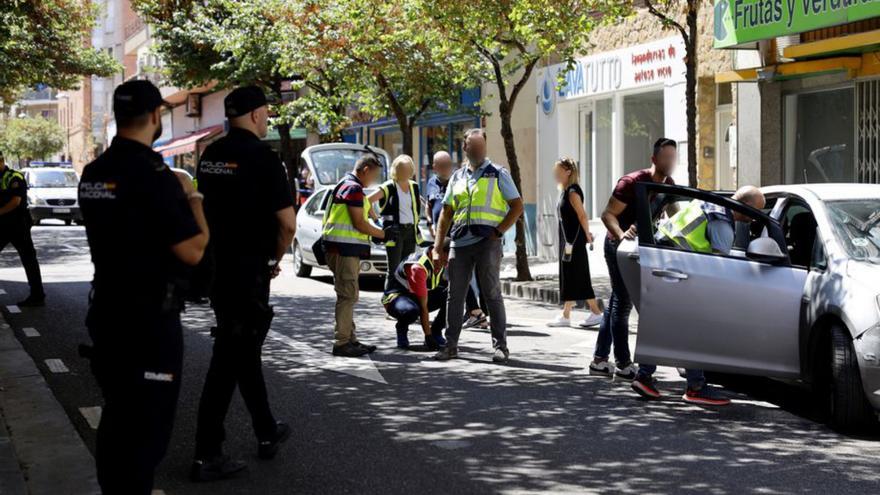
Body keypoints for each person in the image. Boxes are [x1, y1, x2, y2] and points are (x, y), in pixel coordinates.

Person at [78, 80, 210, 494]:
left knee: (118, 418)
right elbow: (193, 249)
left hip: (106, 313)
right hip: (149, 321)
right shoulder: (156, 175)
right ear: (156, 117)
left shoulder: (93, 173)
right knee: (146, 431)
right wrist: (194, 199)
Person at [190, 86, 298, 481]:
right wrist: (276, 256)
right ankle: (206, 451)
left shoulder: (211, 155)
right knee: (228, 358)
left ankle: (266, 429)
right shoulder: (263, 158)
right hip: (250, 270)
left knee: (242, 348)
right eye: (267, 113)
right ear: (254, 115)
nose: (268, 119)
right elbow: (287, 222)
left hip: (217, 269)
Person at [631, 185, 766, 406]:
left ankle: (647, 376)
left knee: (667, 324)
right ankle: (694, 387)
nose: (756, 218)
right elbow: (718, 267)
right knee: (695, 328)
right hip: (678, 269)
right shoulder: (723, 224)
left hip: (665, 260)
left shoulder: (709, 204)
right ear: (747, 207)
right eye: (757, 212)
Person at [588, 138, 677, 380]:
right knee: (623, 302)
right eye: (666, 157)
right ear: (654, 159)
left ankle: (599, 360)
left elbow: (676, 217)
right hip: (618, 246)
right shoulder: (632, 182)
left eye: (673, 157)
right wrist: (621, 235)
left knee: (618, 299)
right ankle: (624, 363)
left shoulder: (669, 184)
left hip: (638, 249)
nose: (670, 162)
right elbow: (607, 214)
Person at [432, 128, 523, 363]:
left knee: (491, 293)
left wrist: (499, 231)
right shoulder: (457, 177)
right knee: (455, 295)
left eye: (482, 147)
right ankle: (450, 346)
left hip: (487, 242)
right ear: (466, 148)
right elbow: (446, 212)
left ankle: (500, 346)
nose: (479, 151)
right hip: (460, 242)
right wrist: (437, 246)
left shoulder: (497, 173)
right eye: (475, 147)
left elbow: (517, 206)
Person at [323, 155, 397, 357]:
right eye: (374, 174)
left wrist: (379, 227)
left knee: (349, 294)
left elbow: (366, 216)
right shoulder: (353, 188)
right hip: (343, 250)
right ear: (365, 169)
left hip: (341, 249)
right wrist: (383, 234)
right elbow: (359, 223)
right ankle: (342, 342)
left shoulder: (348, 185)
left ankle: (350, 339)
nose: (374, 179)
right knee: (347, 296)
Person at [427, 151, 488, 330]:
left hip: (456, 235)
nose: (446, 168)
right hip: (441, 236)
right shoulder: (431, 183)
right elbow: (429, 206)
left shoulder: (457, 180)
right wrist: (431, 224)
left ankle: (475, 312)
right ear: (434, 167)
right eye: (441, 165)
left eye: (448, 164)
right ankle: (473, 312)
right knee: (452, 276)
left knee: (456, 275)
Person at [546, 158, 603, 329]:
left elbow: (582, 215)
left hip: (574, 242)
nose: (555, 175)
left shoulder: (572, 192)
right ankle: (566, 315)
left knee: (579, 275)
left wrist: (587, 235)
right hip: (568, 241)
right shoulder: (565, 191)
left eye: (558, 171)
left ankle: (596, 313)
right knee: (571, 276)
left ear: (568, 172)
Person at [369, 154, 422, 290]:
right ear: (396, 170)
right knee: (393, 270)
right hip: (394, 233)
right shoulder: (389, 186)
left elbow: (419, 205)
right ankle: (390, 300)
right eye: (402, 169)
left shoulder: (413, 186)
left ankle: (403, 299)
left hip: (411, 232)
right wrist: (376, 220)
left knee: (407, 269)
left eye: (408, 169)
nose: (406, 172)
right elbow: (367, 201)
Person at [383, 242, 449, 350]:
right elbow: (423, 306)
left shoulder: (439, 258)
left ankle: (436, 331)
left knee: (452, 297)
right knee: (411, 311)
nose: (446, 265)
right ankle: (402, 329)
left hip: (415, 296)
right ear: (438, 252)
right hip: (396, 298)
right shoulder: (418, 267)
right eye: (444, 261)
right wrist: (428, 337)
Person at [0, 151, 45, 307]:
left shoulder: (15, 177)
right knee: (29, 259)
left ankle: (37, 295)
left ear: (1, 161)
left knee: (29, 259)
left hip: (18, 225)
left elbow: (15, 202)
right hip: (2, 225)